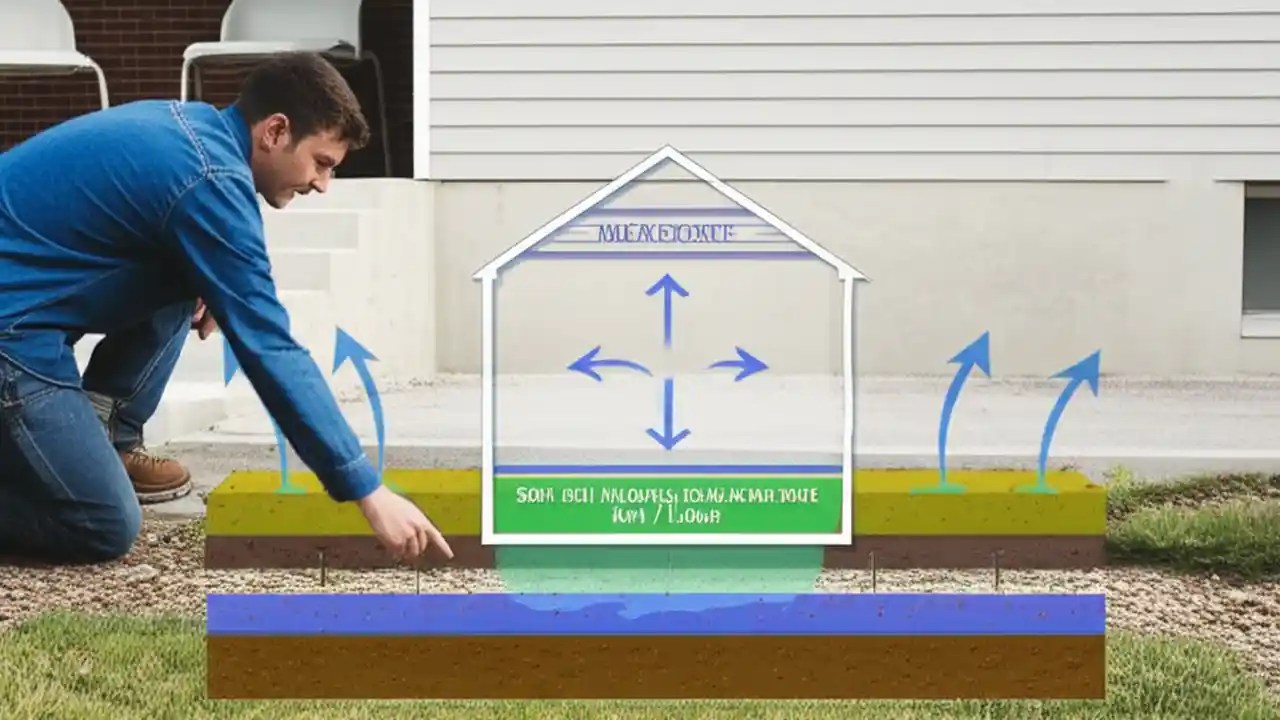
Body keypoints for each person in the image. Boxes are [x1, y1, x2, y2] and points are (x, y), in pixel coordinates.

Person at [0, 52, 453, 565]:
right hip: (13, 326)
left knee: (194, 274)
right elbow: (270, 349)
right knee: (104, 523)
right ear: (275, 131)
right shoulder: (208, 179)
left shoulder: (197, 136)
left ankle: (109, 441)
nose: (322, 184)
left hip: (25, 302)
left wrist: (209, 281)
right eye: (322, 162)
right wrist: (367, 489)